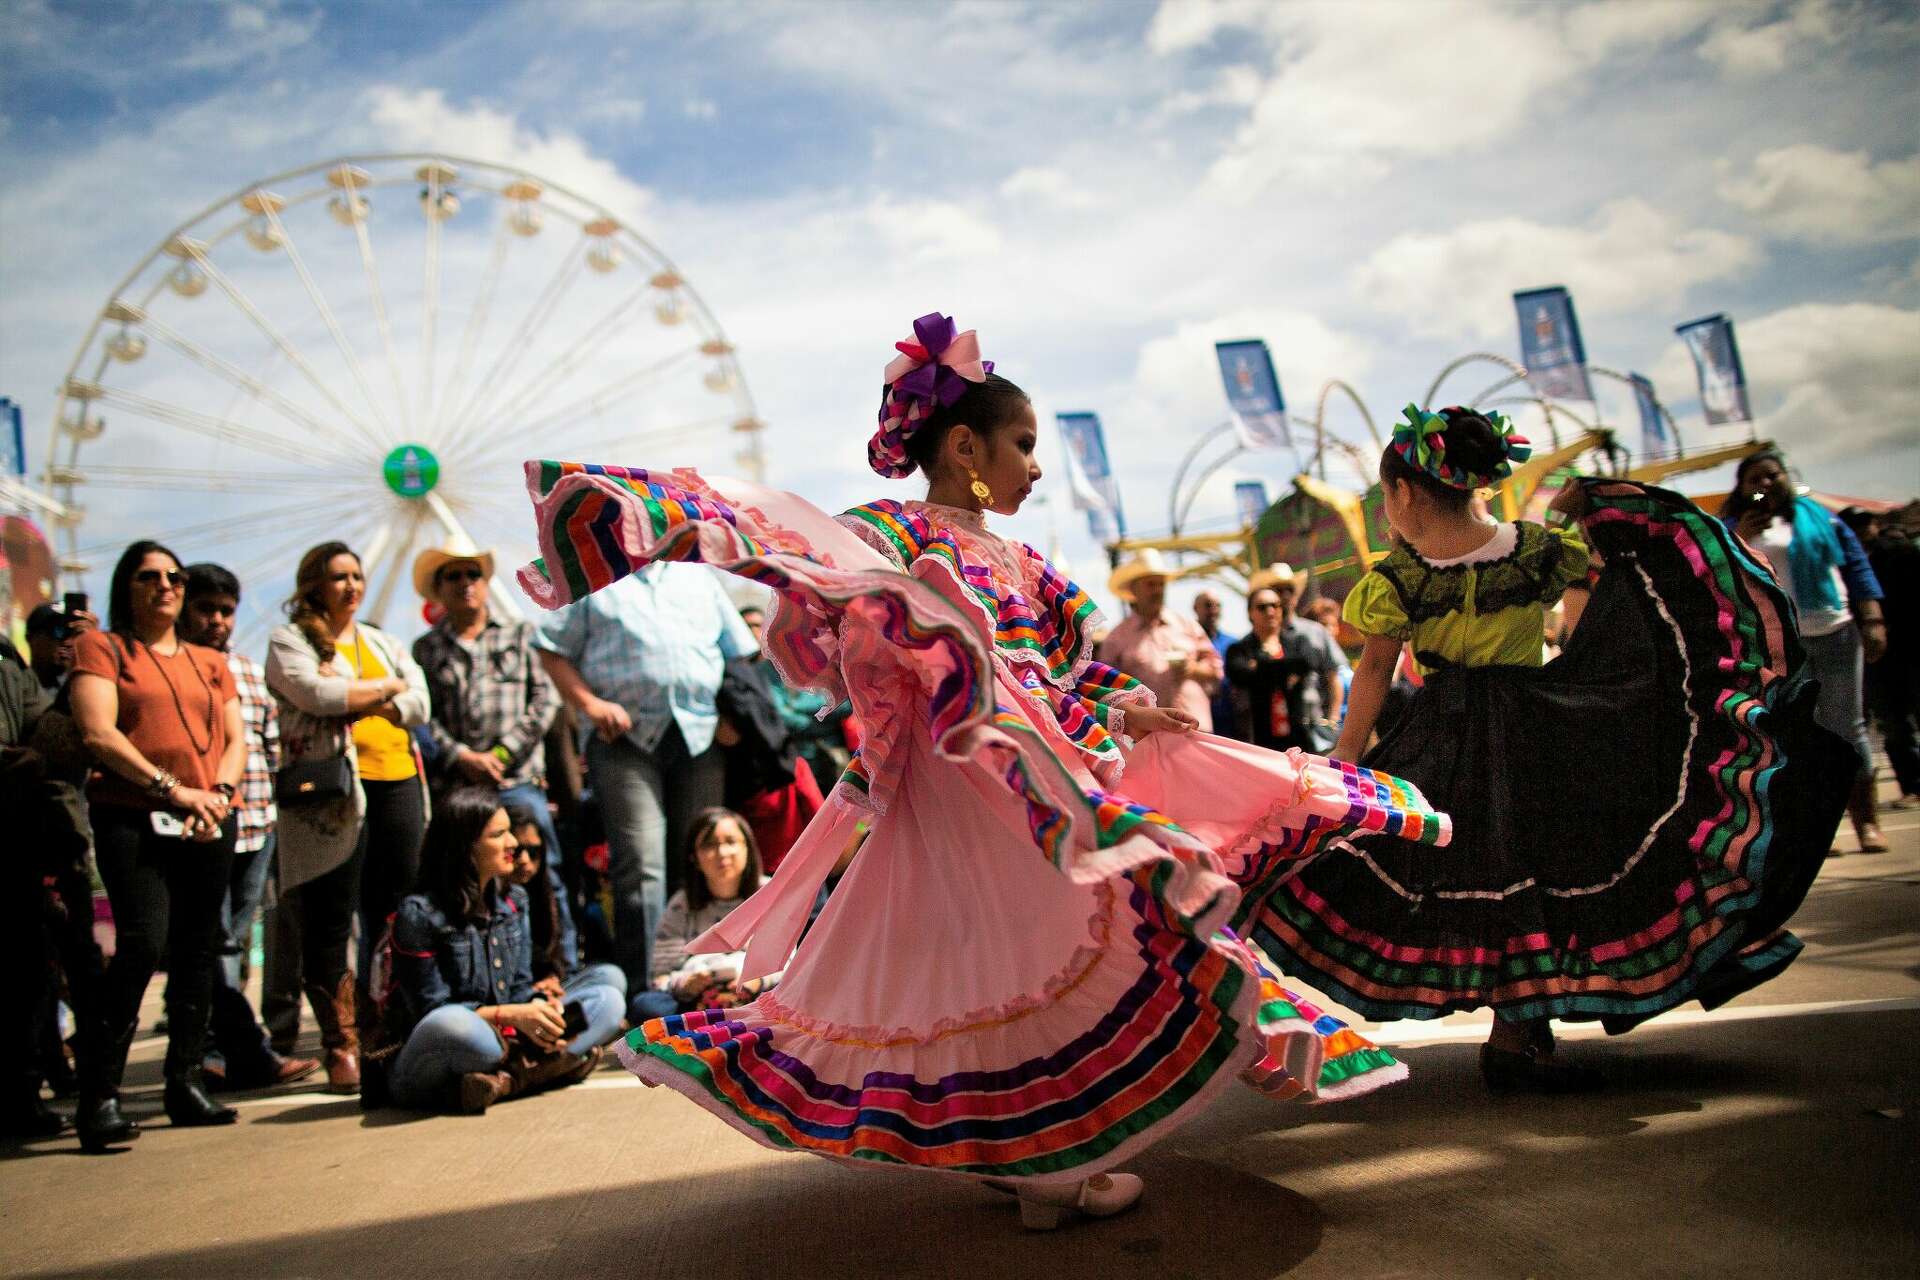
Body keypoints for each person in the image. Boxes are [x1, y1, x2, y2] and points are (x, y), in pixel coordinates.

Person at [518, 312, 1449, 1229]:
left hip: (1020, 779)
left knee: (1009, 959)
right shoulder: (886, 533)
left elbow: (1066, 665)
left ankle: (1040, 1168)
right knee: (1026, 950)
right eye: (1023, 443)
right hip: (968, 786)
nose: (1036, 465)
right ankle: (1043, 1168)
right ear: (965, 446)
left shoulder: (1021, 560)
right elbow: (807, 585)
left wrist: (1129, 708)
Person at [1257, 405, 1854, 1093]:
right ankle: (1523, 1023)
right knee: (1539, 866)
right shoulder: (1539, 549)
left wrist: (1347, 763)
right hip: (1537, 722)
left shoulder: (1399, 576)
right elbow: (1611, 590)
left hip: (1447, 736)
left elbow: (1373, 672)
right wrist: (1602, 517)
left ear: (1404, 493)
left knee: (1470, 874)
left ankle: (1517, 1023)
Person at [68, 541, 245, 1133]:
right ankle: (99, 1095)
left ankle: (185, 1084)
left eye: (175, 576)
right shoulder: (103, 647)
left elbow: (236, 740)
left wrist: (216, 794)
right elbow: (98, 734)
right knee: (144, 942)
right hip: (133, 816)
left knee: (198, 948)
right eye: (149, 577)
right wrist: (175, 791)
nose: (165, 585)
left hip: (208, 817)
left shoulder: (211, 661)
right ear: (128, 586)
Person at [532, 546, 757, 995]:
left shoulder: (699, 578)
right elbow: (551, 649)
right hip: (623, 742)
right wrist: (592, 705)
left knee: (704, 860)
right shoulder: (595, 577)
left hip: (699, 734)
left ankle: (705, 985)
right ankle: (646, 990)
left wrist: (735, 715)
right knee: (642, 866)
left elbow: (741, 654)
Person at [265, 542, 431, 1094]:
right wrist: (387, 689)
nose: (352, 586)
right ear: (313, 584)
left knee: (395, 910)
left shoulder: (382, 640)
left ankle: (388, 1024)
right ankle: (341, 1043)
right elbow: (314, 692)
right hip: (333, 795)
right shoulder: (290, 641)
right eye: (339, 577)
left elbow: (420, 704)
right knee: (331, 918)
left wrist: (359, 697)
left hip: (397, 782)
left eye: (358, 576)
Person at [382, 788, 619, 1113]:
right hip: (442, 1045)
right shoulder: (418, 915)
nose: (513, 844)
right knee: (455, 1026)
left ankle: (504, 1082)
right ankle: (539, 1070)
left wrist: (539, 1010)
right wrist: (511, 1015)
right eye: (499, 834)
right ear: (465, 846)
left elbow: (520, 987)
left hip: (504, 1036)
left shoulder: (514, 901)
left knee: (608, 997)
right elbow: (429, 1010)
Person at [178, 564, 319, 1091]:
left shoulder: (247, 671)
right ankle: (215, 1050)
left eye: (225, 611)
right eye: (205, 609)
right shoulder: (176, 669)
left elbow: (267, 745)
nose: (216, 620)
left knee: (233, 940)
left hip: (258, 821)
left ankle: (225, 1051)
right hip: (203, 823)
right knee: (211, 940)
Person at [410, 543, 570, 964]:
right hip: (460, 788)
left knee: (541, 874)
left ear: (485, 583)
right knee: (459, 876)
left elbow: (545, 701)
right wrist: (462, 756)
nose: (465, 584)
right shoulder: (425, 649)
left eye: (472, 574)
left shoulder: (520, 634)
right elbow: (423, 717)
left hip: (517, 781)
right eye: (453, 576)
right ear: (438, 590)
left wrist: (500, 753)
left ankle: (557, 966)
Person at [1727, 452, 1888, 852]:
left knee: (1847, 729)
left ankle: (1867, 821)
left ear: (1786, 476)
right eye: (1754, 479)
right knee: (1794, 738)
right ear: (1742, 488)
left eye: (1772, 474)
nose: (1765, 483)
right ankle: (1821, 831)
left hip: (1835, 634)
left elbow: (1856, 566)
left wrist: (1872, 618)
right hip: (1777, 645)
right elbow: (1720, 577)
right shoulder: (1731, 528)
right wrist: (1739, 539)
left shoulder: (1820, 517)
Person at [628, 808, 771, 1023]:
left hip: (755, 990)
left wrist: (757, 982)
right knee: (645, 1005)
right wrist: (685, 984)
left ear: (748, 849)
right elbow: (660, 975)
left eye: (731, 842)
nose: (722, 853)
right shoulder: (682, 903)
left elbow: (789, 963)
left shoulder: (769, 893)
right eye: (709, 845)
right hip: (695, 996)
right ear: (694, 857)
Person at [501, 802, 627, 1017]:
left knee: (611, 977)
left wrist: (549, 978)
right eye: (516, 851)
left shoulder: (542, 893)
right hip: (509, 1004)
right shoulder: (494, 900)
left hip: (543, 994)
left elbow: (551, 957)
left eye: (533, 851)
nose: (524, 861)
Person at [1840, 508, 1918, 808]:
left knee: (1895, 721)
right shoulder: (1849, 562)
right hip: (1876, 652)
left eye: (1865, 523)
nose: (1863, 531)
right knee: (1894, 722)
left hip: (1902, 645)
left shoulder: (1900, 552)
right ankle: (1912, 784)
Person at [1097, 549, 1224, 733]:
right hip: (1150, 739)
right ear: (1134, 589)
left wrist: (1193, 669)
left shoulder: (1186, 625)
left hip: (1197, 732)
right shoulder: (1116, 639)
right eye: (1150, 584)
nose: (1157, 590)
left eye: (1161, 584)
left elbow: (1216, 667)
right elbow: (1105, 690)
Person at [1224, 565, 1347, 752]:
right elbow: (1241, 674)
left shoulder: (1302, 638)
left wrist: (1260, 667)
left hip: (1307, 736)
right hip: (1260, 741)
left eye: (1275, 605)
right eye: (1262, 607)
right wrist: (1284, 670)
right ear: (1250, 612)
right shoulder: (1240, 648)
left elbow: (1310, 666)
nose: (1270, 611)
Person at [739, 603, 852, 793]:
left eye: (758, 625)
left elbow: (846, 703)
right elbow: (779, 715)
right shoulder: (759, 671)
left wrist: (799, 707)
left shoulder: (820, 659)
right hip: (794, 764)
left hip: (834, 756)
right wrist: (822, 711)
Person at [1192, 589, 1240, 741]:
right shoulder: (1187, 642)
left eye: (1217, 606)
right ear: (1195, 608)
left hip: (1229, 717)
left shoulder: (1232, 643)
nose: (1213, 610)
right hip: (1198, 718)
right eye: (1207, 605)